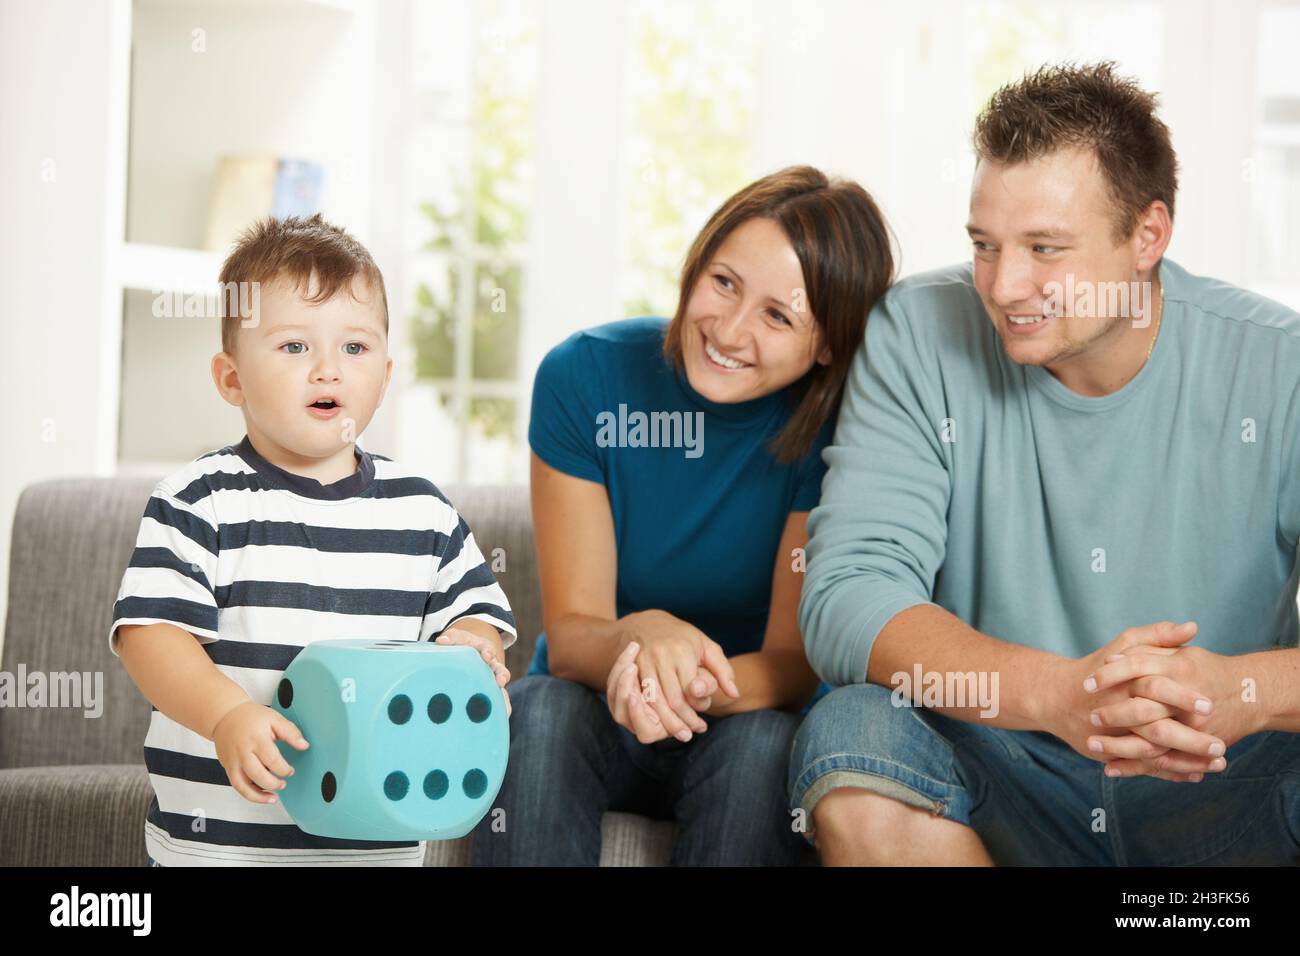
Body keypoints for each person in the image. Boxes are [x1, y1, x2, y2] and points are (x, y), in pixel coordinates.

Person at [791, 62, 1300, 866]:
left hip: (1224, 781)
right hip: (1006, 760)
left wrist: (1241, 692)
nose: (1005, 286)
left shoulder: (1281, 366)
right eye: (985, 246)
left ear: (1148, 236)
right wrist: (1061, 697)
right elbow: (849, 594)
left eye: (1045, 248)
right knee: (851, 730)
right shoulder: (918, 333)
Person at [472, 166, 895, 865]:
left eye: (777, 315)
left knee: (766, 743)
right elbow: (574, 636)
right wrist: (641, 636)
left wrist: (686, 682)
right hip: (593, 708)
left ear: (826, 343)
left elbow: (793, 663)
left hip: (737, 716)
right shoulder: (584, 376)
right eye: (724, 282)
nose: (729, 330)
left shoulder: (835, 431)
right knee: (539, 712)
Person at [109, 213, 516, 866]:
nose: (328, 369)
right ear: (231, 378)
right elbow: (149, 635)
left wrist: (472, 643)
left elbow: (475, 616)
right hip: (218, 851)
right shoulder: (199, 499)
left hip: (374, 849)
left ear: (385, 375)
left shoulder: (424, 512)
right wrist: (225, 716)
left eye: (354, 348)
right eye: (294, 347)